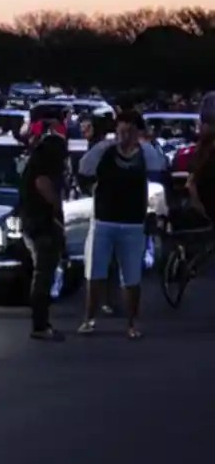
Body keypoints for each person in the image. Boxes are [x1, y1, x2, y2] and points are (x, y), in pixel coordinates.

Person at [77, 110, 167, 340]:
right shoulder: (106, 151)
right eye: (121, 130)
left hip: (132, 223)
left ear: (137, 132)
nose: (125, 136)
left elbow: (160, 163)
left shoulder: (144, 154)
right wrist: (103, 147)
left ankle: (132, 323)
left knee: (132, 277)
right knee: (95, 273)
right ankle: (89, 319)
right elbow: (84, 167)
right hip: (104, 220)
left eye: (130, 131)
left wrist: (145, 143)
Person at [18, 133, 69, 341]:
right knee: (43, 276)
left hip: (32, 226)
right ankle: (40, 324)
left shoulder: (31, 168)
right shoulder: (42, 172)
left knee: (42, 275)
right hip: (42, 228)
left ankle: (41, 322)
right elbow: (49, 196)